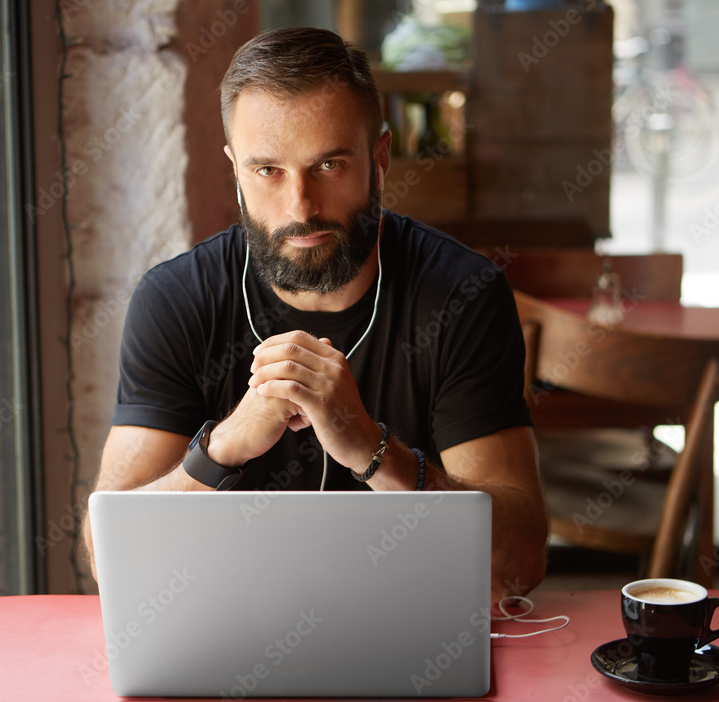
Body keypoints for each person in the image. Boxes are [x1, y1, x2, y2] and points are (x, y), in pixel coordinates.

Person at [82, 26, 548, 600]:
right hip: (227, 636)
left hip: (412, 633)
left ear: (379, 160)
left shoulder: (461, 295)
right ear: (235, 171)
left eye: (328, 165)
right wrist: (224, 447)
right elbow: (109, 559)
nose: (300, 207)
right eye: (267, 171)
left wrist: (372, 449)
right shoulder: (176, 300)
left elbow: (521, 563)